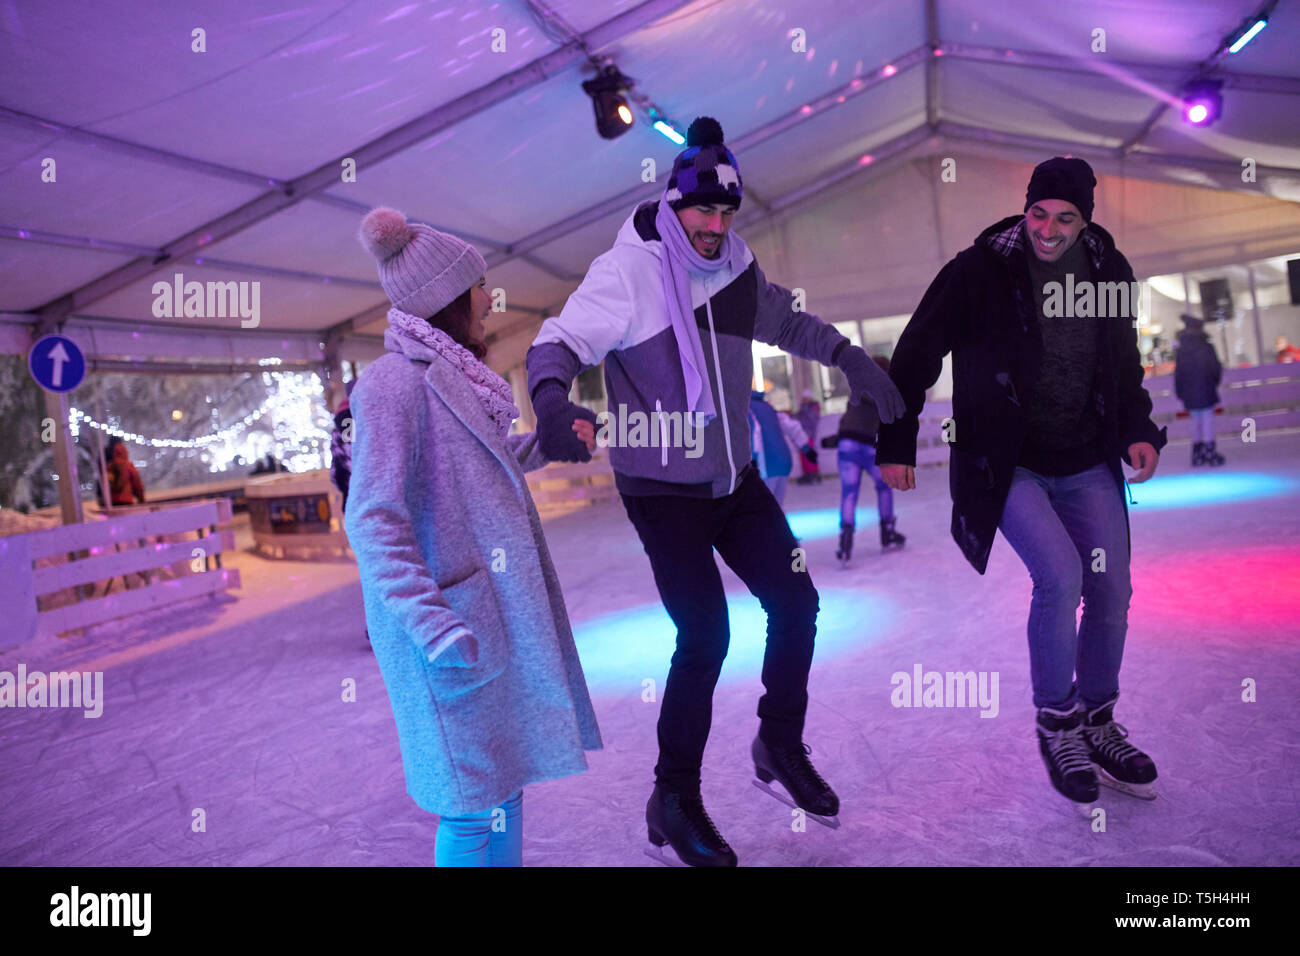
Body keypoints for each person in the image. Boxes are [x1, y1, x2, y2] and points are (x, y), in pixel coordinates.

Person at [525, 116, 903, 866]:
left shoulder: (735, 265)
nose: (715, 225)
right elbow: (557, 342)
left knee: (797, 601)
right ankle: (674, 797)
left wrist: (851, 359)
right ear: (675, 204)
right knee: (705, 635)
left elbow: (789, 323)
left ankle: (780, 743)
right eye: (703, 210)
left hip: (735, 480)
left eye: (728, 212)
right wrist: (551, 399)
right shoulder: (628, 271)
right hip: (661, 489)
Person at [876, 157, 1167, 809]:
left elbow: (1123, 362)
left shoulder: (1106, 270)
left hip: (1087, 456)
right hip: (1007, 465)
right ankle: (1057, 722)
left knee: (1112, 586)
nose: (1049, 228)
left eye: (1065, 217)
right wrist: (895, 440)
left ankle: (1098, 721)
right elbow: (916, 353)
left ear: (1085, 219)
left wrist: (1138, 428)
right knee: (1060, 577)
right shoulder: (978, 272)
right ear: (1025, 208)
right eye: (1039, 213)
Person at [347, 207, 602, 866]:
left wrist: (543, 444)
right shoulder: (388, 387)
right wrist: (429, 622)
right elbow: (372, 517)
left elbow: (473, 471)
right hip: (448, 632)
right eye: (478, 286)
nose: (490, 299)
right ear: (446, 299)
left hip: (483, 621)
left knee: (501, 790)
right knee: (469, 806)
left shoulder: (454, 376)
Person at [835, 354, 904, 563]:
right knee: (884, 487)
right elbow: (890, 420)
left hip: (846, 441)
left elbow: (850, 414)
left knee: (849, 492)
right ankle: (888, 532)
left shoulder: (858, 382)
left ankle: (845, 542)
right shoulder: (887, 388)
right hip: (868, 444)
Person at [747, 388, 815, 508]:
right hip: (783, 462)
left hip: (765, 465)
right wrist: (806, 448)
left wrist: (753, 458)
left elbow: (755, 432)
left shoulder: (748, 409)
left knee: (765, 509)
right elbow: (791, 426)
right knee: (776, 507)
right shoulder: (768, 408)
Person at [1174, 314, 1225, 466]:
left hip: (1189, 391)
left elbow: (1179, 373)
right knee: (1207, 419)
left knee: (1195, 420)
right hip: (1206, 387)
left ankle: (1197, 452)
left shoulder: (1182, 350)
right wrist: (1213, 382)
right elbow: (1215, 369)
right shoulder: (1207, 347)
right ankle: (1210, 451)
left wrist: (1181, 391)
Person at [794, 389, 822, 484]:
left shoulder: (813, 408)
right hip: (802, 435)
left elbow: (810, 419)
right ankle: (807, 474)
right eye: (803, 398)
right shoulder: (805, 408)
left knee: (808, 455)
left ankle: (813, 474)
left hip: (808, 435)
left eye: (805, 398)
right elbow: (799, 417)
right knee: (803, 456)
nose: (804, 400)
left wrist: (804, 406)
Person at [107, 440, 145, 505]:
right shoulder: (129, 466)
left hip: (112, 503)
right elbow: (137, 484)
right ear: (125, 452)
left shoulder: (109, 467)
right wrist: (141, 499)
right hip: (126, 501)